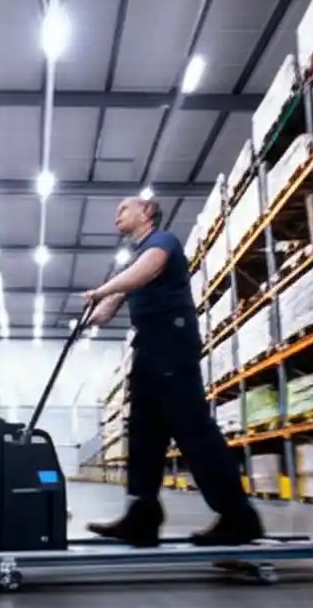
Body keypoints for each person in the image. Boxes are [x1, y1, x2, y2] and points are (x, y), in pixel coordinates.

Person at [82, 197, 264, 547]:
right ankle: (142, 517)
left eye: (124, 208)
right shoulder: (136, 260)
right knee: (143, 435)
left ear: (147, 213)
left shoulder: (162, 242)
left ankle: (238, 517)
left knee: (191, 428)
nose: (116, 213)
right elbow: (109, 307)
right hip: (149, 348)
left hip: (171, 342)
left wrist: (104, 290)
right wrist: (93, 312)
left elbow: (145, 271)